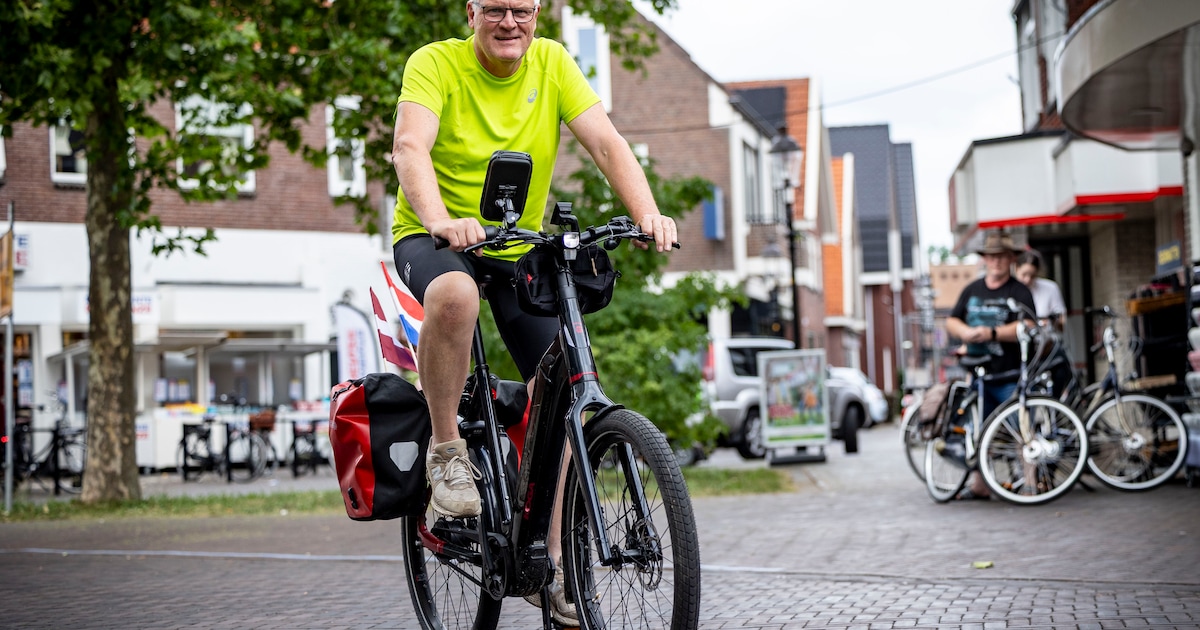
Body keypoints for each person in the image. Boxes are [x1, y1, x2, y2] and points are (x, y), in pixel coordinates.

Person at [390, 1, 677, 623]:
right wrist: (440, 219)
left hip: (518, 244)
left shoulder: (552, 61)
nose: (510, 21)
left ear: (538, 12)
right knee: (456, 295)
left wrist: (647, 211)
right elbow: (410, 146)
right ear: (472, 12)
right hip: (435, 236)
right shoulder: (434, 63)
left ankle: (552, 566)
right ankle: (447, 454)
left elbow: (605, 140)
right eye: (496, 8)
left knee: (571, 381)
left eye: (522, 9)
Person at [944, 231, 1035, 500]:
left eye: (1001, 257)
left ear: (1010, 259)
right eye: (991, 257)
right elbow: (951, 320)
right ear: (984, 260)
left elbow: (1028, 325)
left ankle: (1030, 483)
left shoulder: (1019, 290)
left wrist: (992, 333)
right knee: (978, 430)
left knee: (1020, 428)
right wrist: (965, 332)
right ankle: (980, 485)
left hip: (1008, 373)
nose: (996, 262)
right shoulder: (972, 290)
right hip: (978, 375)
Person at [1014, 250, 1066, 328]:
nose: (1027, 280)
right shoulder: (1010, 289)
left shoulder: (1050, 288)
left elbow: (1061, 318)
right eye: (1024, 275)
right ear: (1016, 269)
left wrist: (1051, 322)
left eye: (1032, 276)